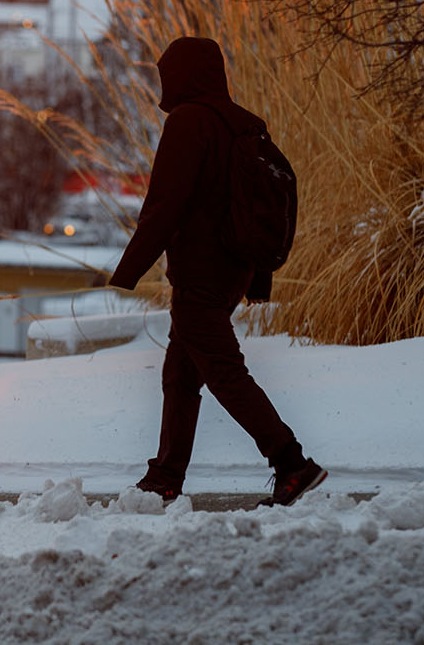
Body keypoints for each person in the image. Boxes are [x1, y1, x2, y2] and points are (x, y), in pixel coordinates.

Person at [108, 36, 324, 506]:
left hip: (200, 276)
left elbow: (165, 205)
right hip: (232, 273)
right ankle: (165, 476)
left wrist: (127, 270)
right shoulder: (244, 124)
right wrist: (257, 276)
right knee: (181, 375)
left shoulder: (190, 122)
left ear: (182, 75)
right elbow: (260, 208)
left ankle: (291, 461)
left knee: (224, 372)